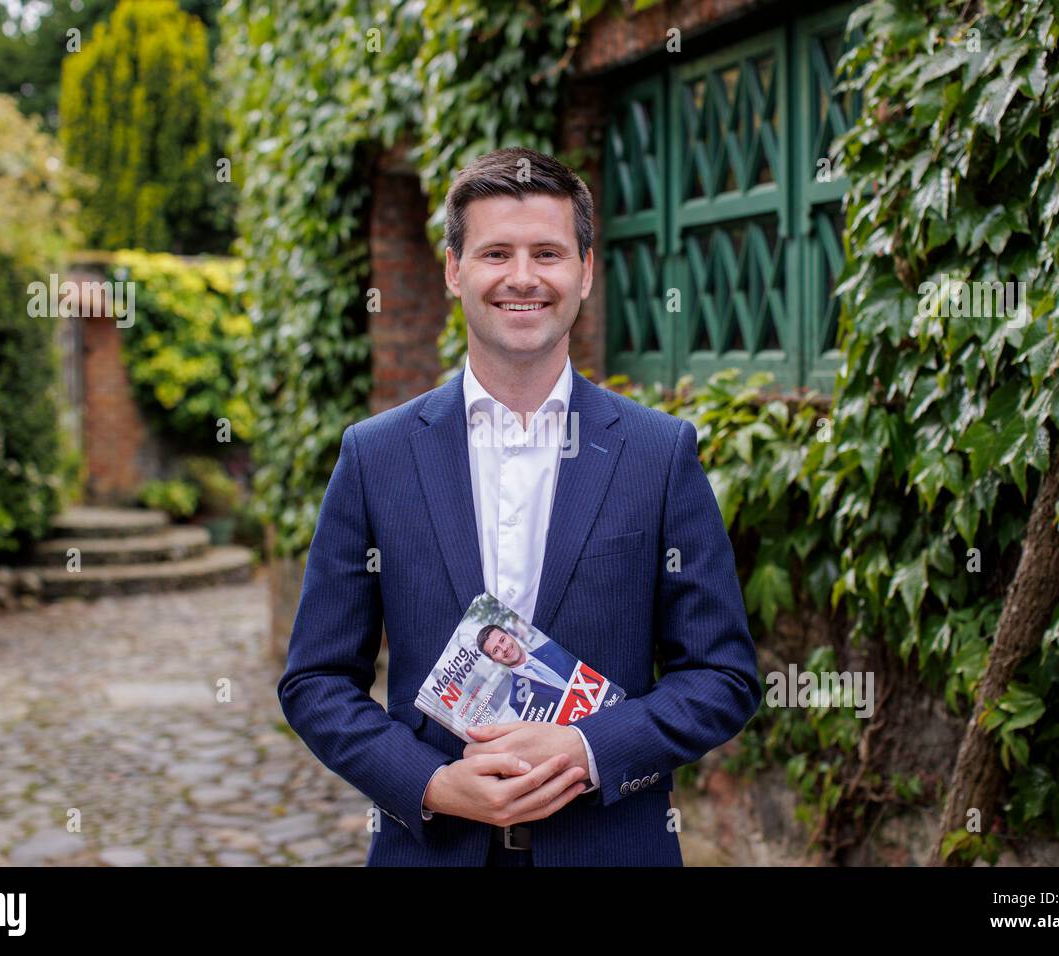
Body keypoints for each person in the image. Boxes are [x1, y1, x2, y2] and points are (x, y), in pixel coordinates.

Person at [277, 146, 761, 866]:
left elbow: (722, 676)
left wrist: (587, 748)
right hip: (431, 851)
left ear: (586, 271)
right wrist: (432, 783)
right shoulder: (375, 456)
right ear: (453, 269)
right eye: (496, 252)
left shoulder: (660, 455)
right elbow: (316, 681)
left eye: (549, 252)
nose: (524, 277)